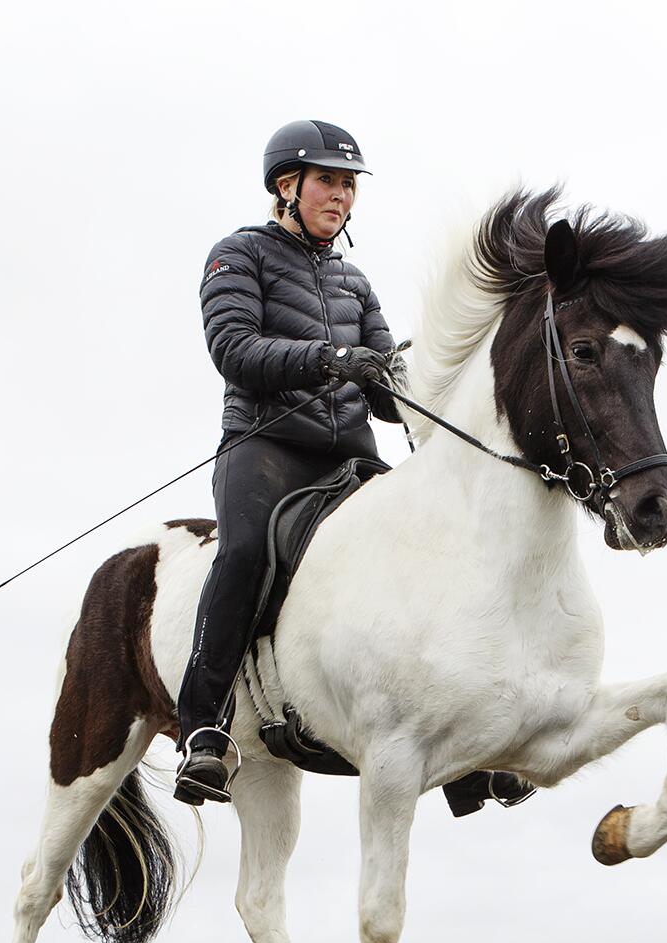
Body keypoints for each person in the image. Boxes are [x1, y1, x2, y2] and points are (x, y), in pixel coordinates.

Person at [174, 119, 398, 805]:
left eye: (349, 182)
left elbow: (388, 390)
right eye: (329, 179)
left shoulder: (355, 283)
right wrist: (332, 360)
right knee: (243, 552)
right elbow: (235, 350)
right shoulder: (237, 256)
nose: (342, 194)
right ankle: (203, 730)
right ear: (286, 185)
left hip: (350, 459)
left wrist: (408, 384)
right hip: (265, 447)